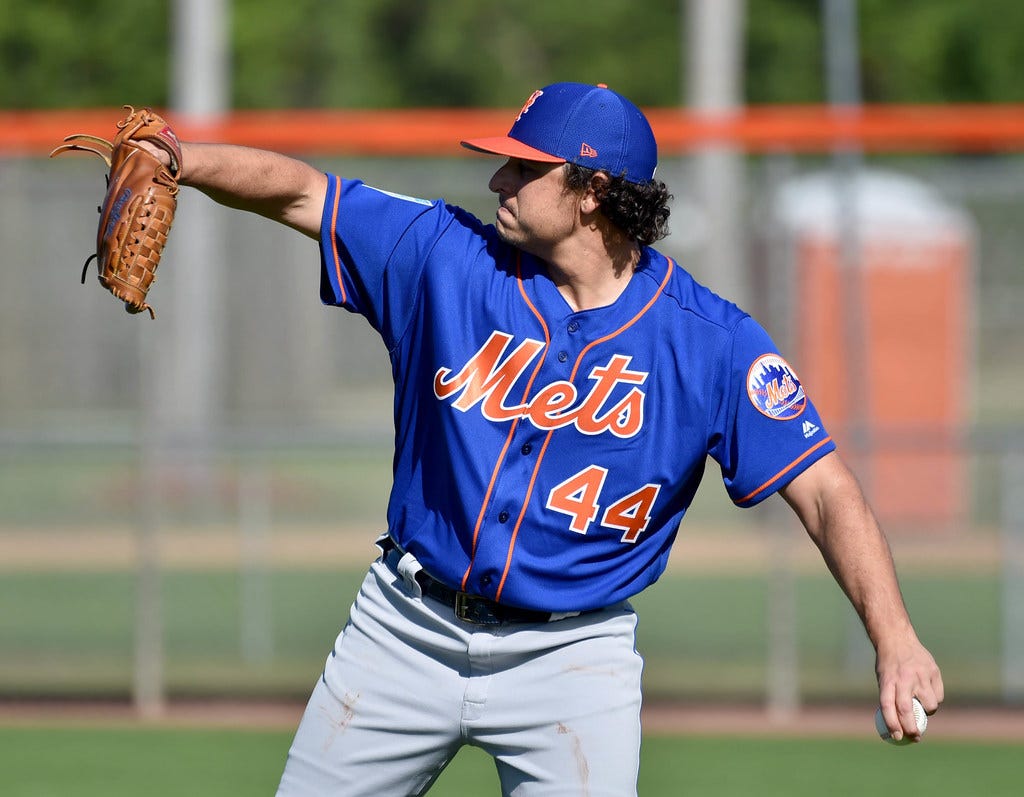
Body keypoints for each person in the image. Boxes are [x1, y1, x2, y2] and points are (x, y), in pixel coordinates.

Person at [148, 82, 943, 795]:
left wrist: (896, 637)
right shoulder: (444, 259)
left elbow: (827, 490)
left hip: (573, 659)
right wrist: (180, 158)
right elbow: (303, 194)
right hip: (404, 631)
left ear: (593, 191)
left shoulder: (710, 344)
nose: (498, 180)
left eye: (524, 168)